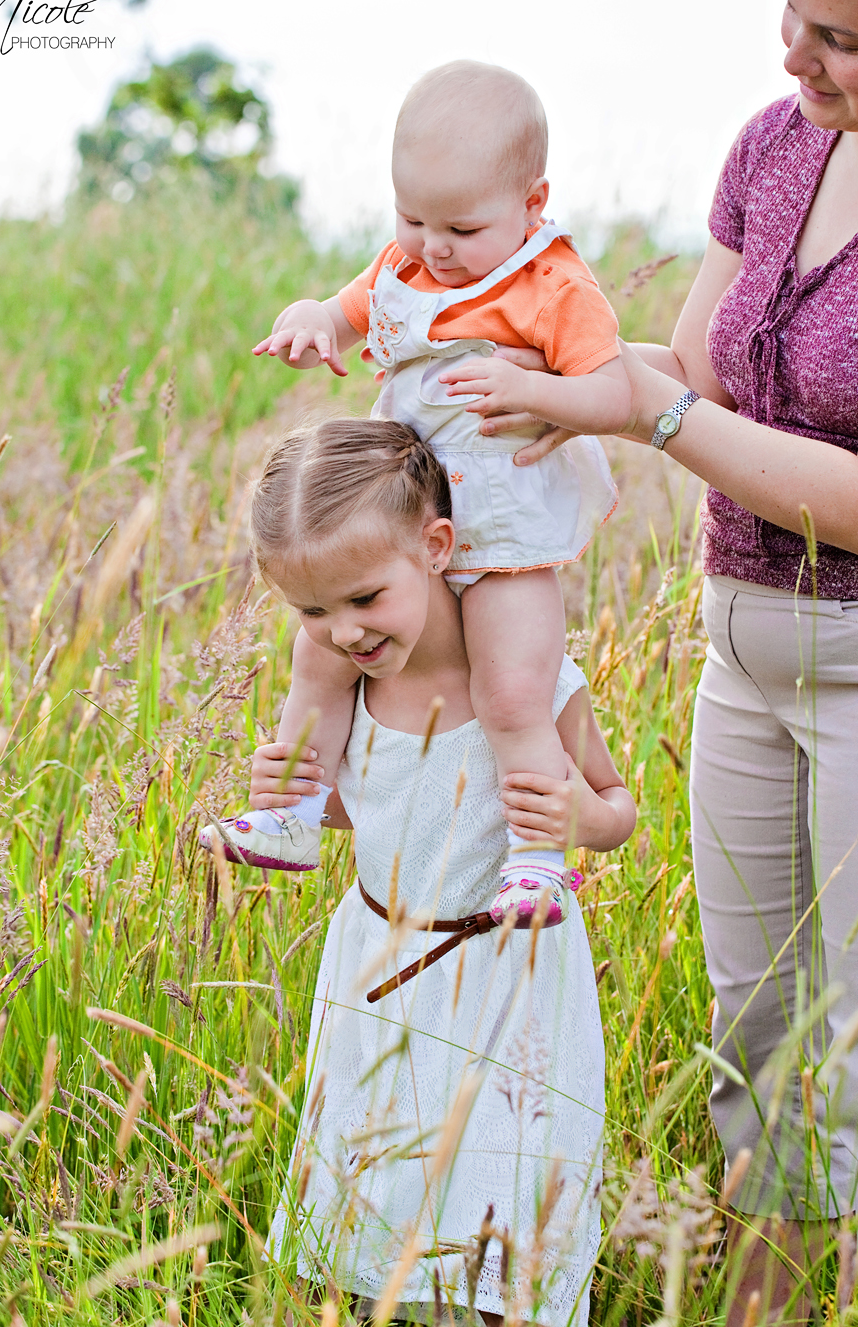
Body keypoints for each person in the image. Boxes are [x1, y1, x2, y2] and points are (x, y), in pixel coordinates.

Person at [438, 0, 858, 1319]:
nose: (800, 57)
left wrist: (653, 419)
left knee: (851, 1055)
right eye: (792, 15)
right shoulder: (775, 145)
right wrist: (514, 358)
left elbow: (689, 417)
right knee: (763, 1048)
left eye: (843, 39)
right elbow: (692, 363)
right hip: (742, 657)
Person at [202, 417, 635, 1324]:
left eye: (364, 598)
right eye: (312, 612)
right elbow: (374, 806)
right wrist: (291, 799)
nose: (342, 632)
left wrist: (578, 818)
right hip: (379, 972)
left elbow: (615, 809)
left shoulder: (526, 682)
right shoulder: (342, 683)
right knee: (375, 1208)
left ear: (437, 548)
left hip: (509, 982)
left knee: (502, 1213)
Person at [215, 61, 630, 933]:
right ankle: (293, 813)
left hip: (507, 531)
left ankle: (537, 863)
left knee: (514, 693)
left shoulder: (552, 285)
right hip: (403, 516)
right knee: (320, 656)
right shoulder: (408, 267)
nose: (432, 246)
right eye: (411, 218)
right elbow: (348, 309)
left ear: (532, 201)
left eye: (461, 225)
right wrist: (314, 323)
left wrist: (542, 391)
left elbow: (615, 391)